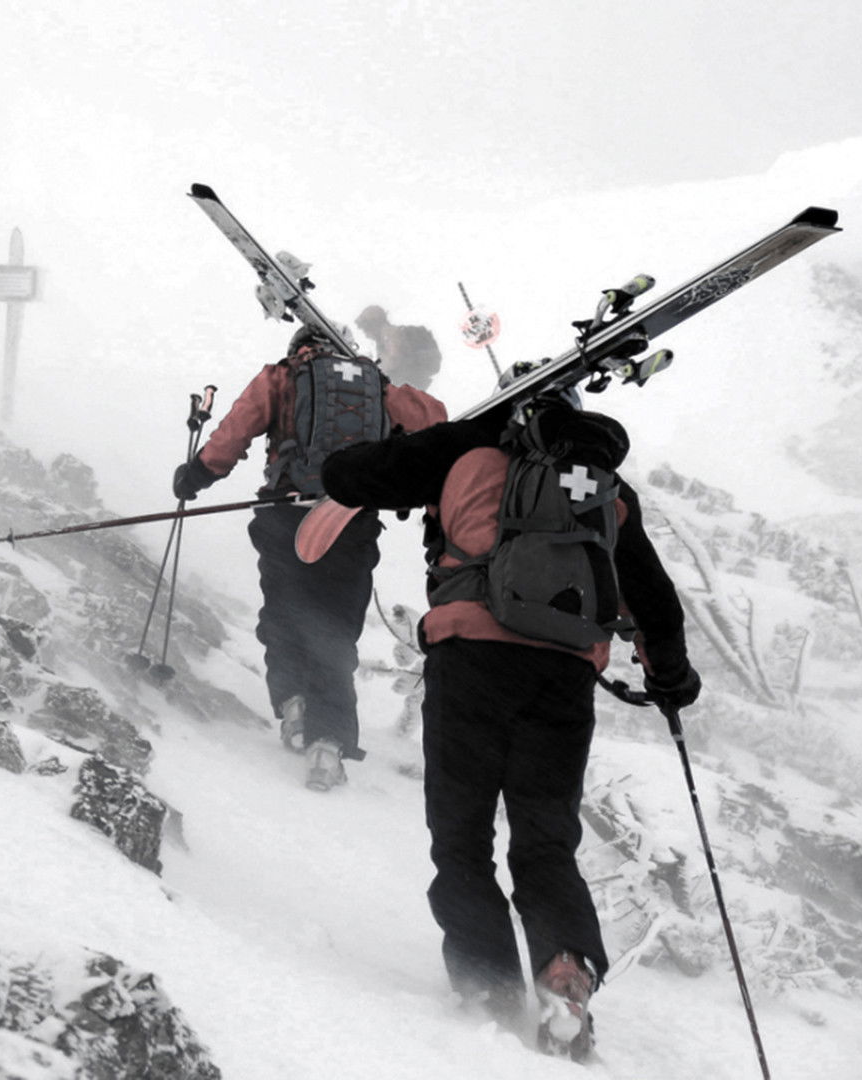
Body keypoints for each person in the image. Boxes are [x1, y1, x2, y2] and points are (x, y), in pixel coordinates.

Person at [318, 383, 700, 1058]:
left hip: (470, 659)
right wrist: (671, 678)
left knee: (462, 839)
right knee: (545, 844)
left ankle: (488, 995)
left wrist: (428, 455)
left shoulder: (464, 448)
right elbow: (655, 602)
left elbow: (345, 475)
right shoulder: (603, 487)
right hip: (563, 677)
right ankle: (565, 971)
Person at [171, 324, 446, 790]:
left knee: (283, 613)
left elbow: (231, 437)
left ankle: (294, 703)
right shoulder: (378, 385)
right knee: (336, 630)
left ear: (297, 347)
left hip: (285, 515)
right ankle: (328, 746)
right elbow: (436, 422)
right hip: (349, 521)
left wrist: (194, 477)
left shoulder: (281, 377)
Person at [356, 304, 443, 391]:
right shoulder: (383, 339)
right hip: (408, 386)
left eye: (365, 329)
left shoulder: (388, 333)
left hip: (407, 386)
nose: (366, 335)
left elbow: (394, 359)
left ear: (374, 324)